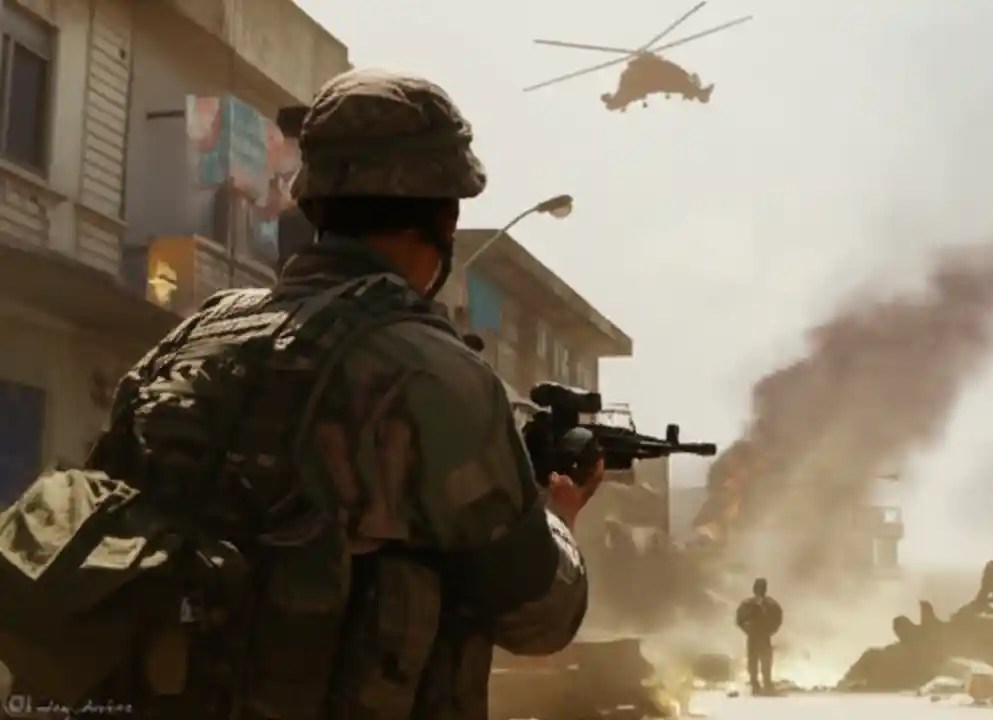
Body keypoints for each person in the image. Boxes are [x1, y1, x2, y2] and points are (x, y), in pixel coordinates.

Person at [72, 68, 603, 718]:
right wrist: (557, 516)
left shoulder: (196, 335)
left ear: (314, 203)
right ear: (445, 214)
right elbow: (538, 620)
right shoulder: (436, 376)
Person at [735, 577, 783, 694]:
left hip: (763, 635)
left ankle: (766, 683)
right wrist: (747, 629)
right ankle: (755, 684)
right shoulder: (748, 604)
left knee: (765, 661)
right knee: (753, 661)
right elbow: (739, 620)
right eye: (758, 587)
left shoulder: (770, 604)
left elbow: (778, 618)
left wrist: (771, 630)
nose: (760, 590)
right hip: (754, 635)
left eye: (762, 588)